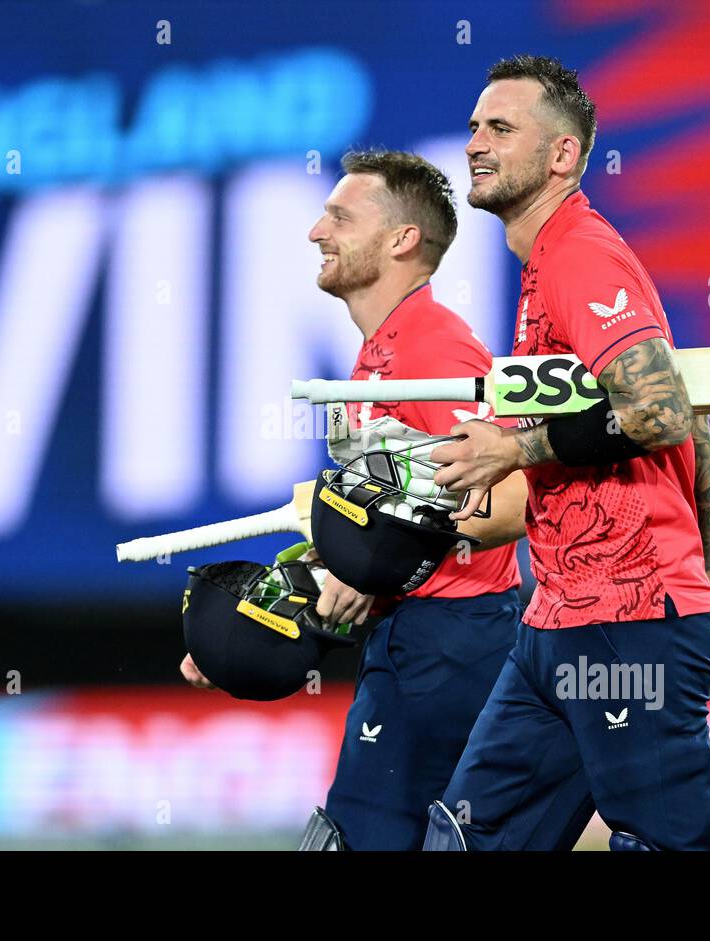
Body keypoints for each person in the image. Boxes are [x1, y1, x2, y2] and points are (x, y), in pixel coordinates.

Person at [426, 56, 710, 851]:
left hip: (629, 617)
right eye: (474, 125)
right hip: (561, 621)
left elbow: (661, 409)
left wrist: (512, 446)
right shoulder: (548, 265)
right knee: (469, 841)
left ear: (563, 156)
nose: (476, 141)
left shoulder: (580, 253)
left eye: (500, 128)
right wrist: (708, 564)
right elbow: (693, 414)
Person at [182, 150, 528, 850]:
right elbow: (392, 519)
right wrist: (267, 612)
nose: (316, 230)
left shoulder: (434, 349)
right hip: (423, 640)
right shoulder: (378, 357)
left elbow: (518, 497)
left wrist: (367, 566)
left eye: (340, 215)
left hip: (455, 642)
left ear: (402, 239)